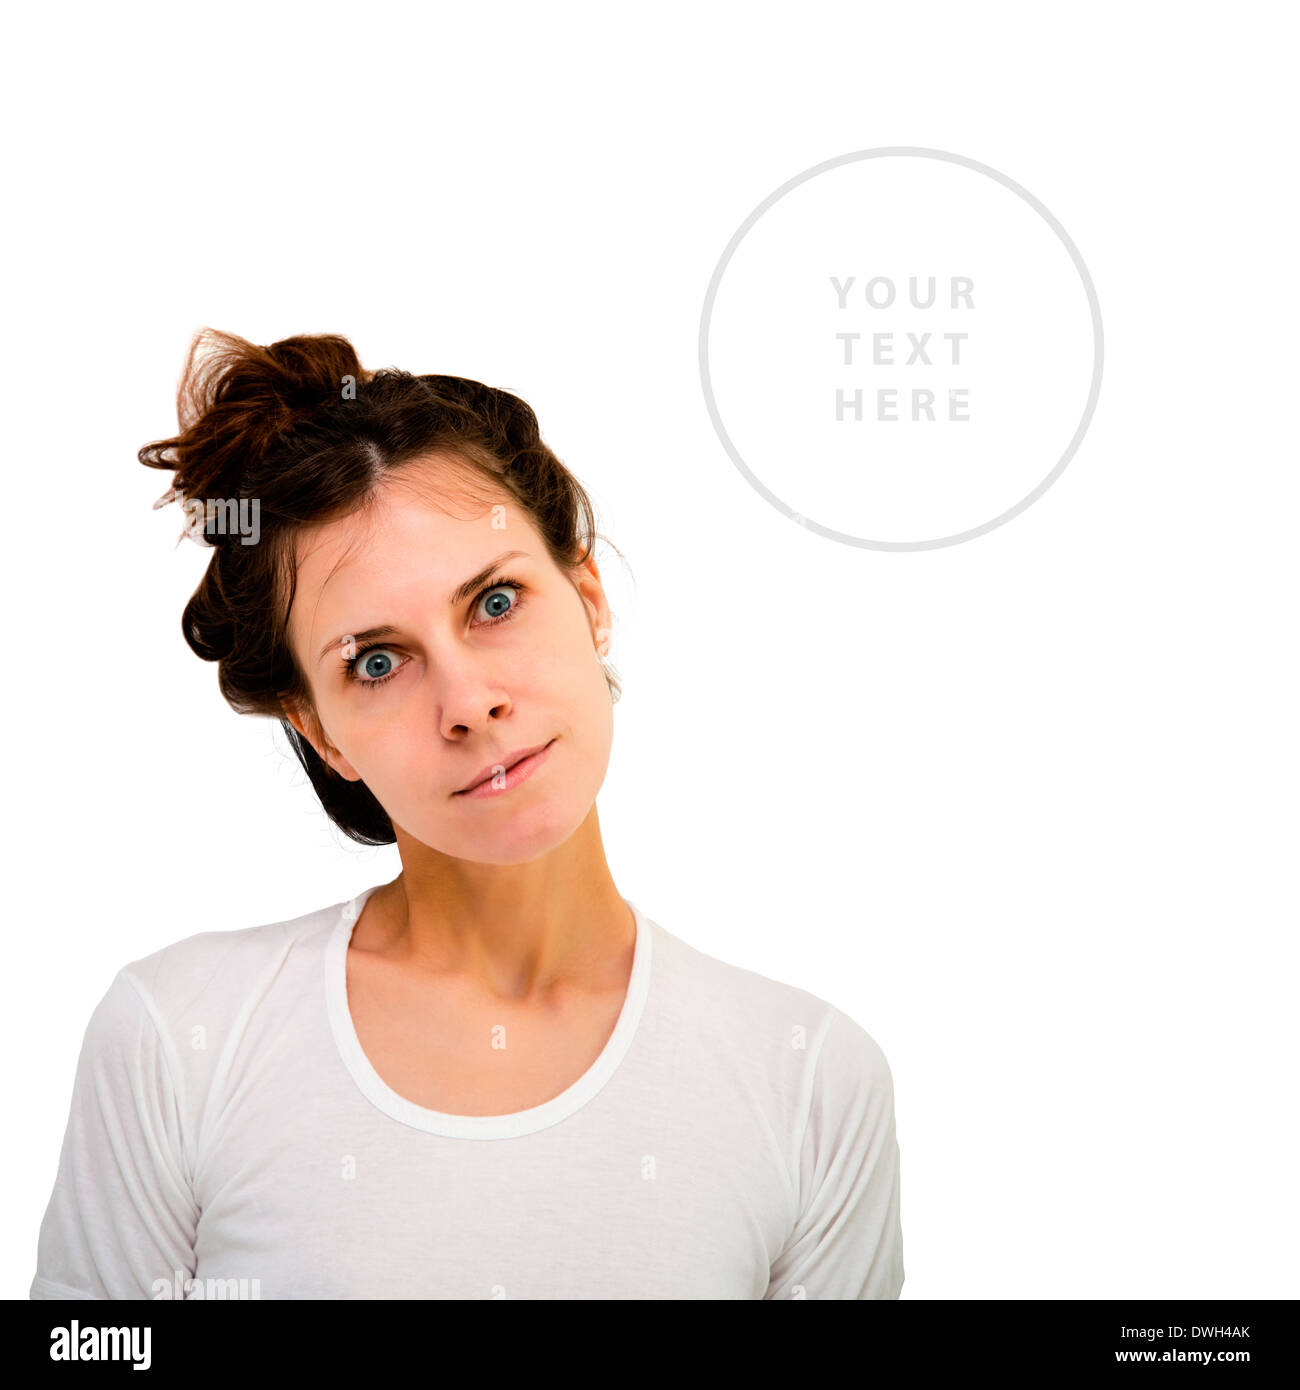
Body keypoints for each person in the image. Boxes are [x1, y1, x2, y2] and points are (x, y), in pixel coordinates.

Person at [29, 329, 905, 1300]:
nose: (467, 702)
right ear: (320, 732)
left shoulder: (810, 1085)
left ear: (587, 596)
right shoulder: (177, 1039)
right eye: (376, 660)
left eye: (494, 601)